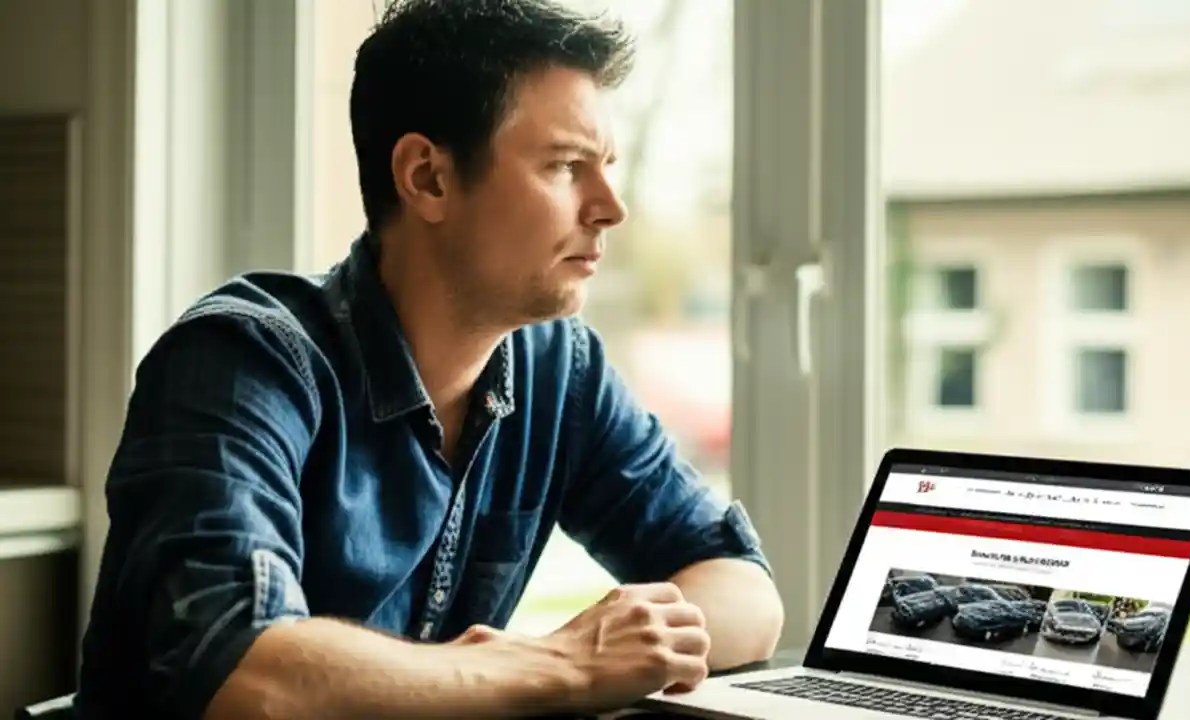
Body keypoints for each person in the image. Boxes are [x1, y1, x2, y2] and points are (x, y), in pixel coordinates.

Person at [74, 0, 783, 717]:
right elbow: (246, 676)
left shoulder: (559, 369)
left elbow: (745, 591)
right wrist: (560, 666)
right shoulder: (241, 361)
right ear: (427, 178)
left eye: (606, 167)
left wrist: (604, 650)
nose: (609, 207)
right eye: (567, 166)